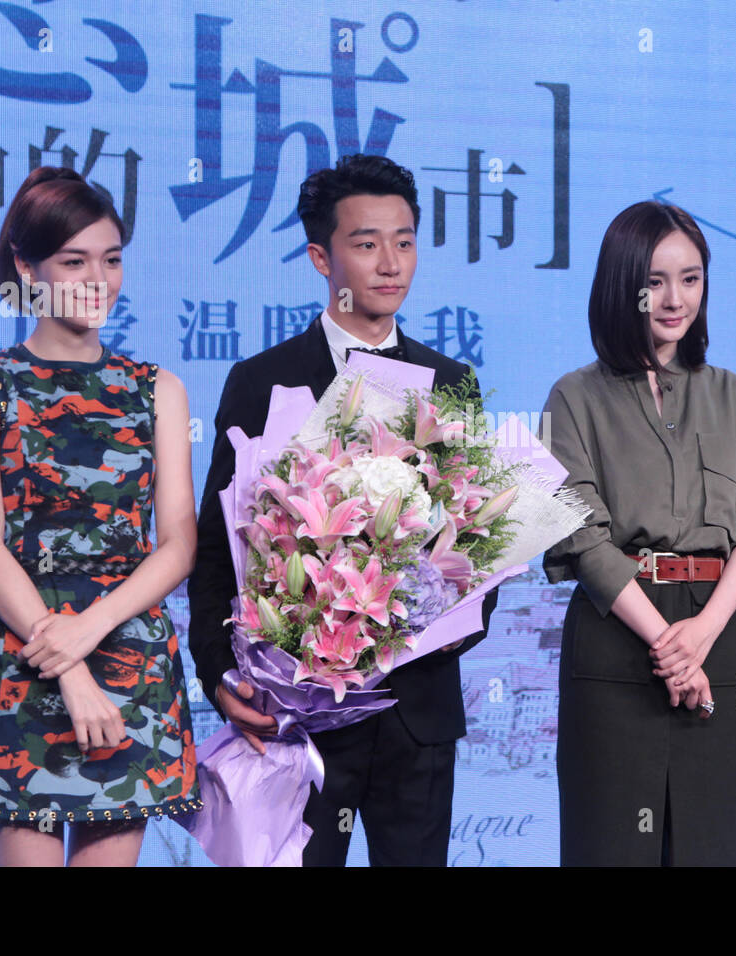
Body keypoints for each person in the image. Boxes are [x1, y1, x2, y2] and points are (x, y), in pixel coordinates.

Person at [188, 153, 498, 867]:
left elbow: (481, 539)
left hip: (416, 709)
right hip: (298, 715)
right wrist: (216, 673)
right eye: (366, 244)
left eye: (405, 240)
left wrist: (455, 625)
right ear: (321, 256)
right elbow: (217, 545)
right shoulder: (263, 381)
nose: (390, 263)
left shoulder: (452, 382)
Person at [0, 166, 201, 866]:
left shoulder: (157, 389)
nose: (97, 279)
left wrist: (94, 630)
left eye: (110, 260)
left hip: (130, 656)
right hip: (23, 657)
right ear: (26, 265)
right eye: (73, 261)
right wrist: (68, 665)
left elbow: (177, 544)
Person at [541, 200, 736, 866]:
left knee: (712, 849)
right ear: (621, 284)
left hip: (719, 637)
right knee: (611, 849)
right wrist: (666, 643)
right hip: (618, 636)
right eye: (653, 280)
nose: (674, 299)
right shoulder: (574, 398)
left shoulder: (735, 397)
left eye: (691, 277)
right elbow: (579, 533)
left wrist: (702, 636)